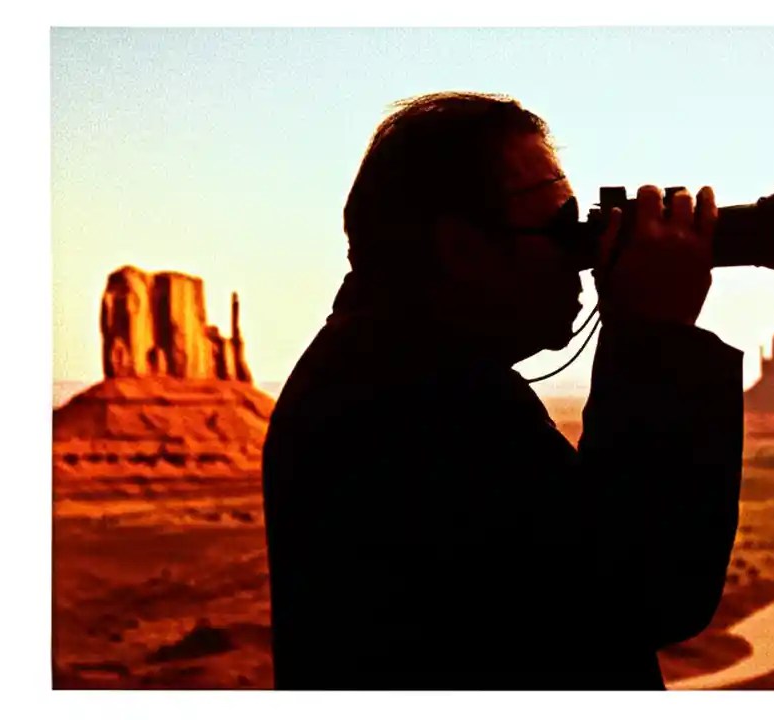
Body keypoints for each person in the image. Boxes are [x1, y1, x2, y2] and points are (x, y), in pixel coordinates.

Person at [261, 91, 744, 690]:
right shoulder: (417, 406)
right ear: (461, 247)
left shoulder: (390, 368)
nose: (584, 259)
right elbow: (648, 591)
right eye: (561, 228)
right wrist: (657, 338)